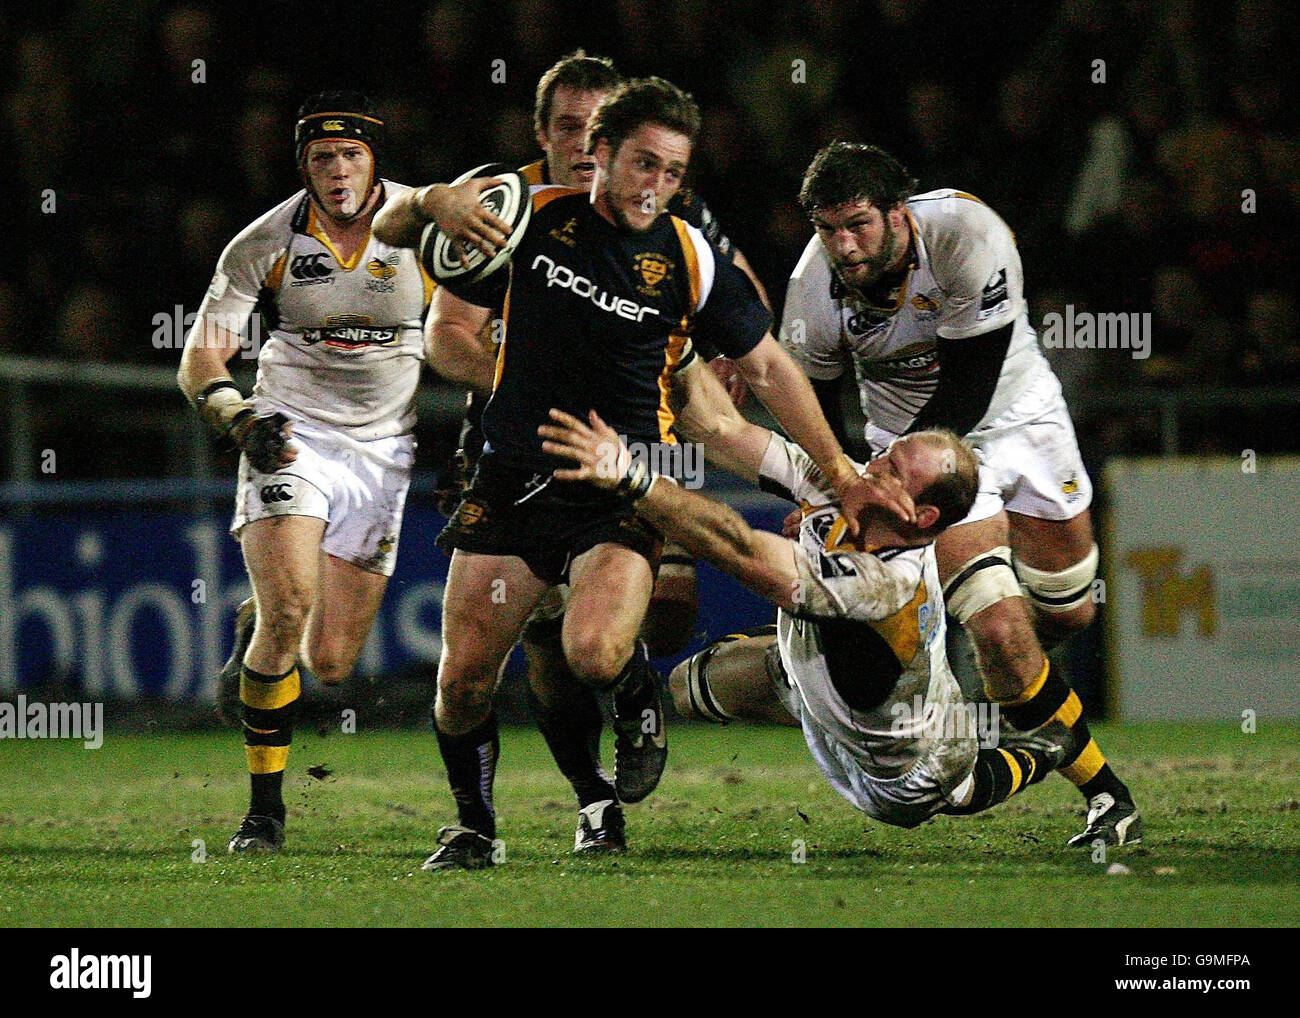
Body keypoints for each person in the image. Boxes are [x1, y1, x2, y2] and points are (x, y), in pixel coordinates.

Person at [382, 77, 874, 870]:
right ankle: (474, 826)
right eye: (644, 165)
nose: (657, 187)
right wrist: (432, 199)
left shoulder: (687, 255)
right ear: (599, 155)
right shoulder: (526, 217)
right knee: (464, 680)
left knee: (596, 652)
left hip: (620, 485)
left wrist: (838, 467)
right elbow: (388, 227)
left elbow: (770, 366)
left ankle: (637, 692)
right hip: (511, 482)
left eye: (673, 173)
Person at [778, 142, 1140, 846]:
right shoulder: (811, 292)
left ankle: (1017, 680)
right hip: (910, 463)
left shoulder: (971, 236)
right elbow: (816, 419)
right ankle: (1104, 792)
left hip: (1017, 414)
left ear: (899, 216)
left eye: (857, 225)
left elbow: (968, 390)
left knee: (1067, 613)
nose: (842, 247)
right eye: (827, 230)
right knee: (1002, 630)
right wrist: (848, 485)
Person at [178, 91, 508, 855]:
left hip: (384, 453)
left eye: (351, 155)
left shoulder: (425, 229)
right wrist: (239, 416)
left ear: (373, 163)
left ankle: (256, 621)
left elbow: (472, 335)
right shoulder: (265, 243)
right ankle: (264, 812)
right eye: (321, 157)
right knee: (293, 616)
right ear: (303, 166)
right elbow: (202, 356)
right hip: (291, 435)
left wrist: (475, 437)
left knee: (328, 661)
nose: (336, 170)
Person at [538, 401, 1064, 833]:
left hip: (905, 768)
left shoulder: (884, 585)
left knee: (960, 785)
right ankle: (808, 686)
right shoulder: (851, 487)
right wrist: (681, 359)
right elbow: (724, 429)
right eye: (883, 453)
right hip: (818, 683)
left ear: (921, 517)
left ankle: (1041, 752)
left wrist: (632, 477)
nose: (872, 467)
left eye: (892, 470)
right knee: (683, 688)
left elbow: (739, 548)